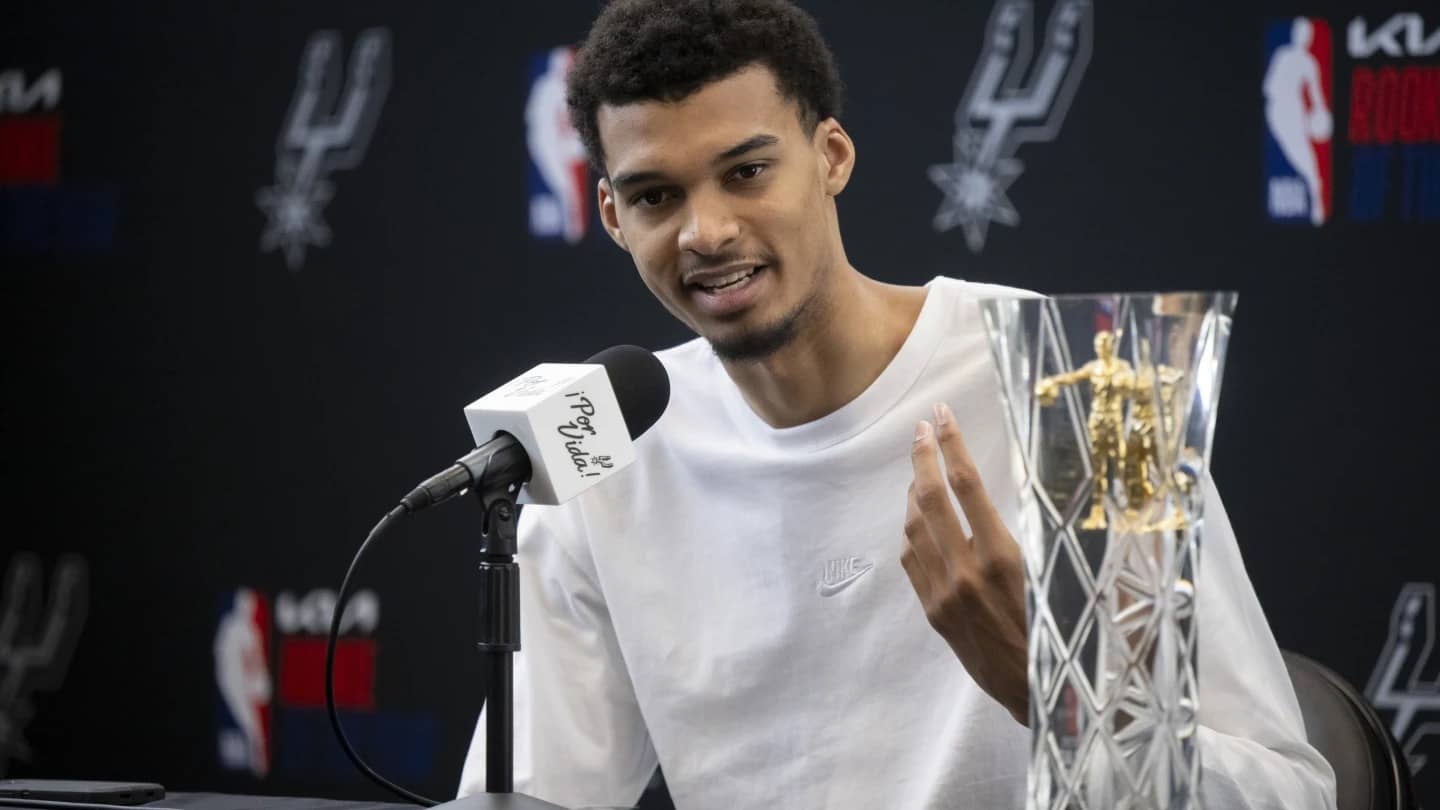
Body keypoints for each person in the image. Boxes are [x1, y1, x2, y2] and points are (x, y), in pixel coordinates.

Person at [460, 2, 1337, 808]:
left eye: (747, 171)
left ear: (832, 157)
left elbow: (1288, 796)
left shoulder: (1080, 383)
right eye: (657, 196)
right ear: (613, 216)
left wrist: (1054, 692)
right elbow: (537, 795)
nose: (707, 231)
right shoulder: (601, 445)